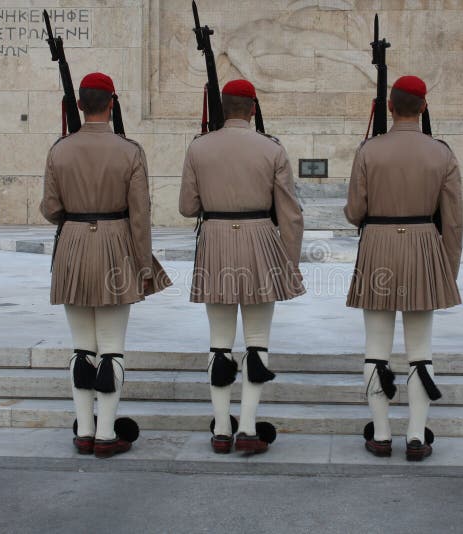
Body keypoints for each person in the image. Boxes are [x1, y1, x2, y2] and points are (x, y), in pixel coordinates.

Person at [40, 72, 171, 459]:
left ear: (80, 105)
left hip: (73, 246)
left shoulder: (59, 150)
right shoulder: (129, 151)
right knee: (112, 348)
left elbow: (50, 209)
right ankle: (106, 434)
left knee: (82, 348)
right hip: (116, 244)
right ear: (111, 104)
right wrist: (144, 264)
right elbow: (140, 215)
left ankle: (83, 430)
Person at [179, 79, 304, 454]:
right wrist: (289, 263)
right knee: (257, 342)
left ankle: (220, 429)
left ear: (221, 108)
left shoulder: (199, 147)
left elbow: (187, 207)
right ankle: (248, 428)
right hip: (260, 243)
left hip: (215, 240)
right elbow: (290, 214)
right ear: (252, 109)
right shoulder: (271, 148)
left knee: (219, 344)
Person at [344, 75, 463, 461]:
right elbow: (454, 221)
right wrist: (447, 270)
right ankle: (415, 436)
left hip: (378, 246)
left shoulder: (369, 151)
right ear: (424, 107)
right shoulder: (442, 153)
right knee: (421, 351)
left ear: (389, 108)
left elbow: (355, 212)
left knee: (375, 351)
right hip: (423, 248)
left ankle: (380, 434)